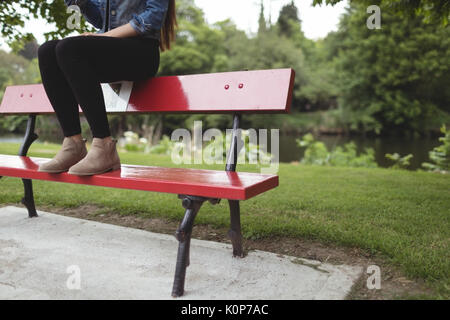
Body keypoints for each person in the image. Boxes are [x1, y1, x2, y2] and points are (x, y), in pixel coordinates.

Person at [37, 0, 176, 175]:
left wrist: (104, 36)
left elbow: (153, 17)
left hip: (142, 52)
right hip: (112, 47)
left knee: (69, 48)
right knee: (47, 51)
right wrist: (82, 3)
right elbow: (102, 20)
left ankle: (104, 145)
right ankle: (73, 144)